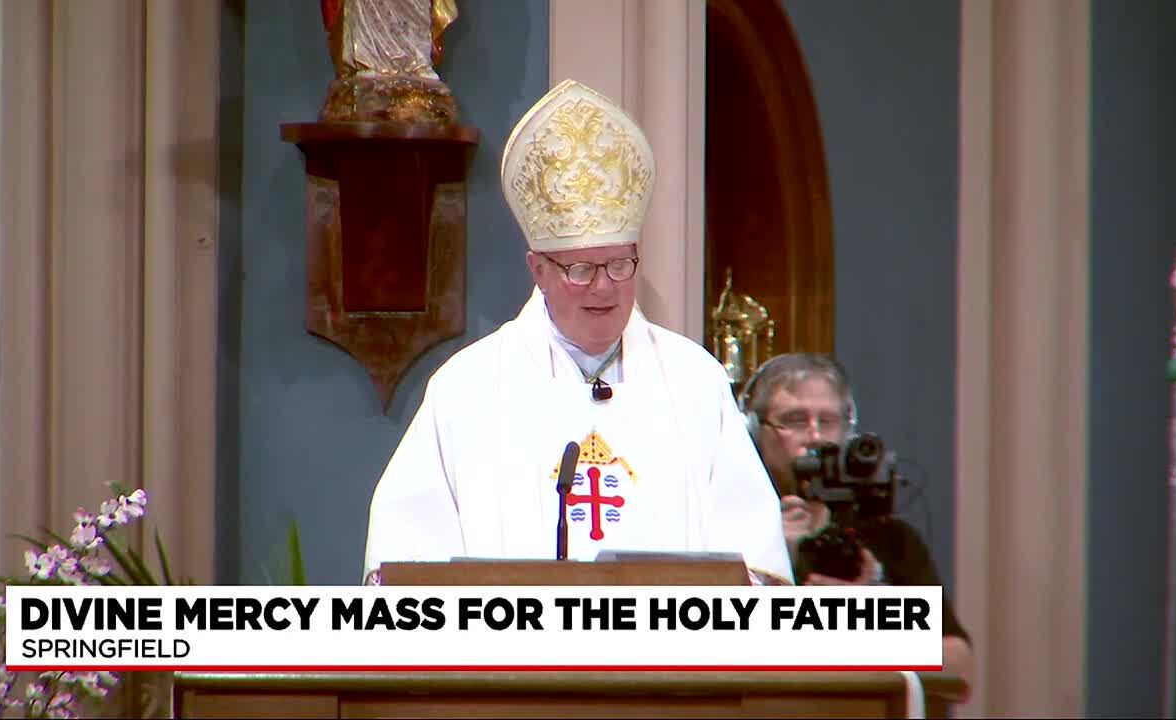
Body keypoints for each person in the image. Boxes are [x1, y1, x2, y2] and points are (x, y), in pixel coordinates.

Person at [362, 79, 791, 585]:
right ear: (538, 270)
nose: (603, 288)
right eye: (580, 270)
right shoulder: (469, 387)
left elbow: (754, 565)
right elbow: (407, 565)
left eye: (618, 265)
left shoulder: (694, 381)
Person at [738, 352, 974, 691]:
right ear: (756, 431)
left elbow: (958, 664)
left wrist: (871, 613)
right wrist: (774, 560)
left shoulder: (887, 537)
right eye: (795, 420)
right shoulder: (734, 533)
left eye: (828, 421)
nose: (815, 437)